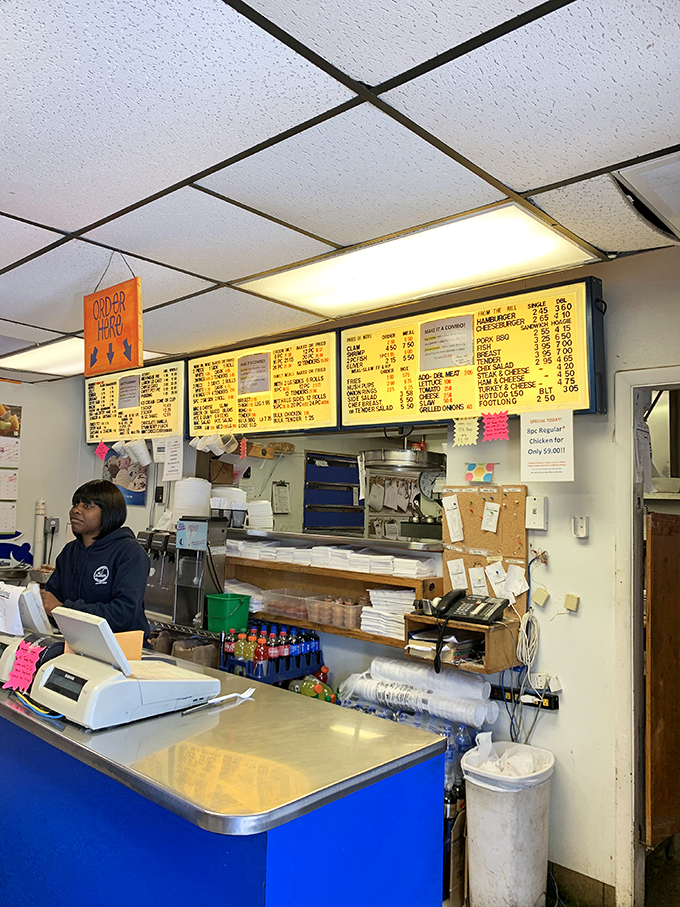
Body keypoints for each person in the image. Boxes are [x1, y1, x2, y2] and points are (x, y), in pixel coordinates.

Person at [41, 480, 150, 635]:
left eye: (87, 506)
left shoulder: (130, 553)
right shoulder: (70, 551)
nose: (75, 511)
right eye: (75, 504)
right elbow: (53, 600)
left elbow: (123, 613)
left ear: (108, 512)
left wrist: (63, 610)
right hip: (78, 642)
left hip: (123, 649)